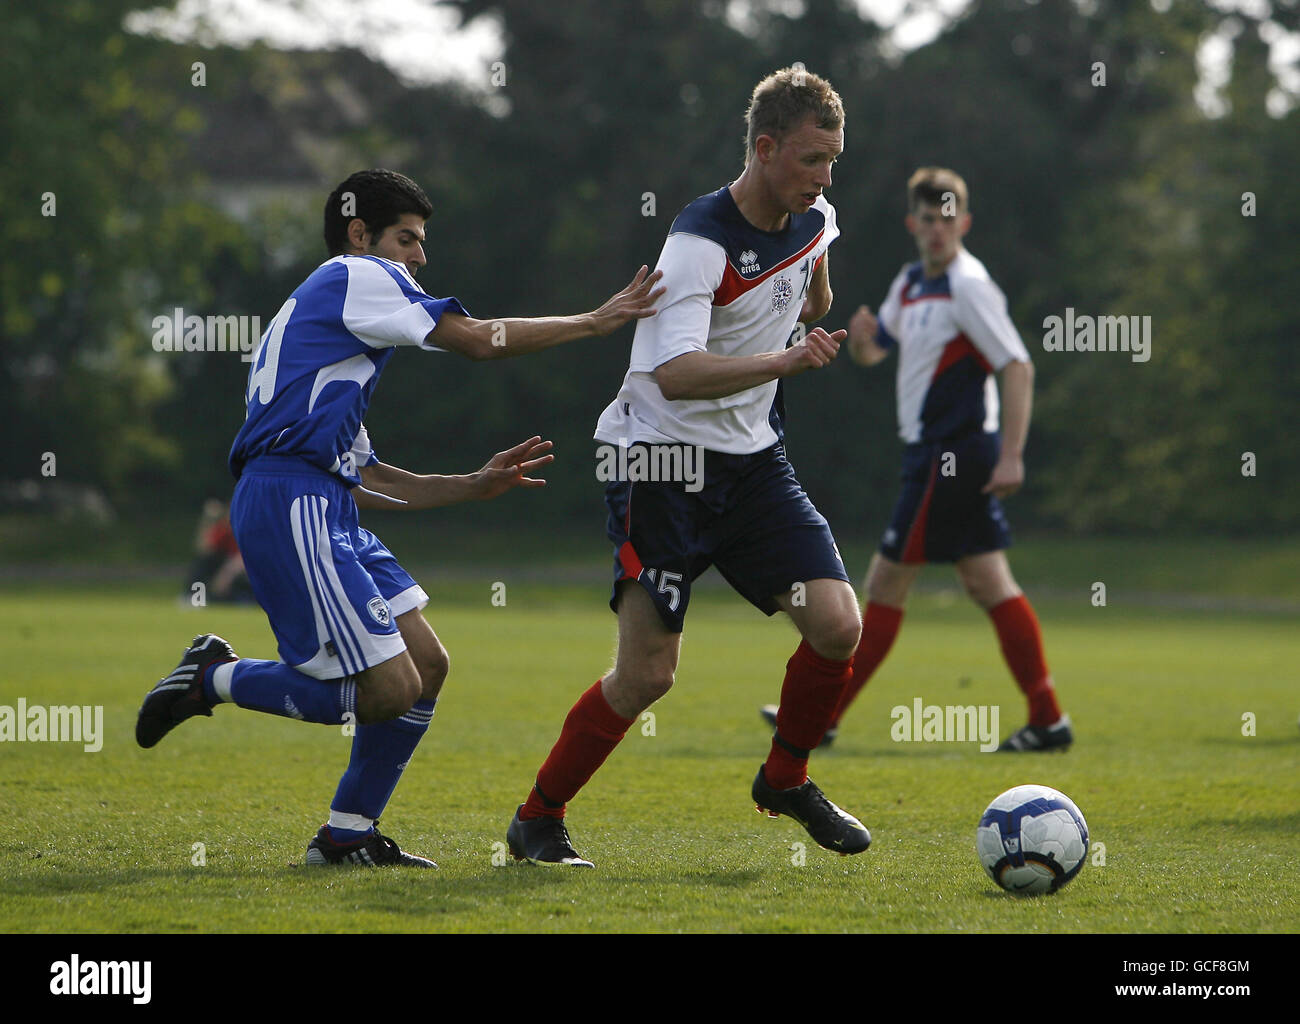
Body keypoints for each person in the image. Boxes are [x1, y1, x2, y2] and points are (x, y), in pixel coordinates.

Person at [136, 168, 663, 867]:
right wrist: (596, 321)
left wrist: (472, 485)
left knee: (426, 665)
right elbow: (477, 339)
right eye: (407, 239)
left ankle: (347, 835)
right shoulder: (356, 275)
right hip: (292, 500)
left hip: (321, 499)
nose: (420, 256)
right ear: (360, 236)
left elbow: (374, 480)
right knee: (385, 690)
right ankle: (212, 676)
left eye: (421, 242)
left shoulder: (335, 336)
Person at [505, 67, 871, 868]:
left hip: (753, 463)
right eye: (812, 160)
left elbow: (813, 295)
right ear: (765, 148)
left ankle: (785, 778)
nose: (825, 177)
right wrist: (787, 361)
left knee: (840, 625)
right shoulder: (698, 242)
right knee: (647, 676)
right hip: (661, 463)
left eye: (834, 161)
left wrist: (809, 304)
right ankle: (537, 818)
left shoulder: (817, 217)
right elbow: (675, 372)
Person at [763, 167, 1072, 752]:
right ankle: (1049, 718)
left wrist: (1012, 456)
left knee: (884, 583)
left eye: (948, 217)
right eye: (928, 219)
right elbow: (879, 350)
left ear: (965, 222)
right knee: (988, 582)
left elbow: (1018, 365)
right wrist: (860, 340)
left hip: (952, 453)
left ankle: (822, 716)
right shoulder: (910, 283)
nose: (938, 229)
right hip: (934, 453)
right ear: (913, 224)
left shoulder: (968, 284)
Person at [182, 499, 252, 604]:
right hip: (226, 569)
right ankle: (194, 597)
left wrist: (227, 573)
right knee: (203, 562)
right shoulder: (224, 530)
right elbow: (204, 549)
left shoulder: (249, 531)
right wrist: (208, 519)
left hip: (242, 572)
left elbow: (243, 559)